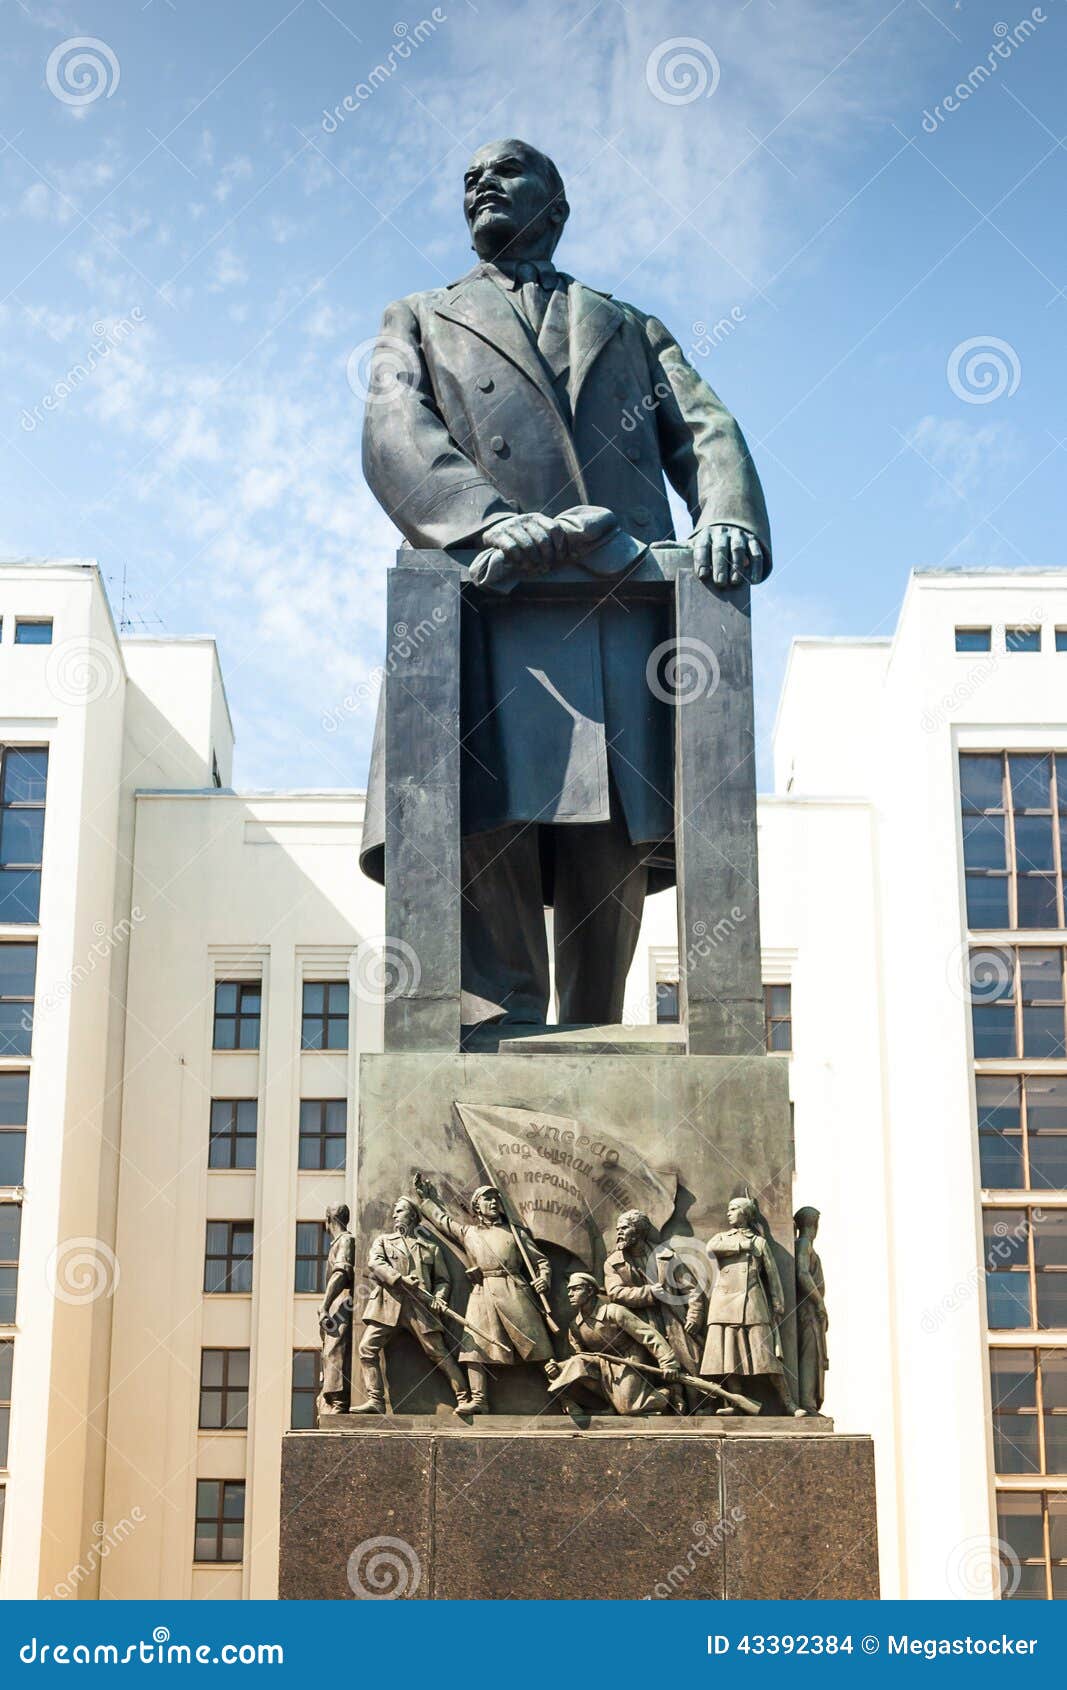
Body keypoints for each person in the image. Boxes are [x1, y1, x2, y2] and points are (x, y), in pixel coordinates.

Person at [360, 138, 771, 1026]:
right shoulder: (420, 318)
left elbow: (702, 427)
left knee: (610, 816)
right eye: (467, 175)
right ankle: (499, 1017)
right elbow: (394, 426)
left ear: (555, 200)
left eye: (504, 170)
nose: (478, 182)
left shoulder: (624, 323)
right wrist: (485, 518)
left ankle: (594, 1029)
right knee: (485, 804)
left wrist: (727, 513)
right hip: (488, 601)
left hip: (616, 600)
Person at [411, 1172, 554, 1412]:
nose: (494, 1203)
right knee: (474, 1345)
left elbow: (541, 1261)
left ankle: (567, 1397)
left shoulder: (515, 1234)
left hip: (513, 1289)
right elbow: (443, 1221)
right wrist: (426, 1201)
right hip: (482, 1292)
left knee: (537, 1346)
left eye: (496, 1199)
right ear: (477, 1207)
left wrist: (544, 1279)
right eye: (487, 1200)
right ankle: (479, 1400)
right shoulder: (470, 1233)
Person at [353, 1196, 472, 1416]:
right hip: (389, 1305)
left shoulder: (430, 1248)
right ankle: (376, 1400)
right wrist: (399, 1278)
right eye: (395, 1211)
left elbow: (443, 1280)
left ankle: (464, 1398)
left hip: (420, 1308)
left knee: (437, 1353)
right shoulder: (384, 1241)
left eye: (399, 1211)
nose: (394, 1215)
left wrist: (439, 1297)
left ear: (412, 1215)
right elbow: (375, 1263)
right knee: (366, 1349)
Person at [701, 1196, 799, 1415]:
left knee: (767, 1357)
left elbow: (772, 1275)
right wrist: (742, 1245)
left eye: (734, 1209)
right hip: (724, 1303)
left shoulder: (760, 1243)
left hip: (752, 1302)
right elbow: (710, 1248)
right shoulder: (722, 1238)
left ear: (745, 1214)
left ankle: (789, 1403)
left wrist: (777, 1303)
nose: (729, 1213)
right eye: (728, 1209)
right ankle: (735, 1402)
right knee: (729, 1355)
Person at [545, 1272, 682, 1415]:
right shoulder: (575, 1325)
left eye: (576, 1289)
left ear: (590, 1291)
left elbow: (648, 1335)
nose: (570, 1294)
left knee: (629, 1409)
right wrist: (557, 1367)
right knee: (563, 1369)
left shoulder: (614, 1311)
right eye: (569, 1290)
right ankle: (606, 1404)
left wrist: (668, 1363)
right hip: (602, 1363)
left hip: (628, 1359)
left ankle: (670, 1393)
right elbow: (578, 1355)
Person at [604, 1208, 706, 1375]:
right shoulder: (613, 1262)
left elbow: (691, 1287)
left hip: (673, 1319)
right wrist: (649, 1292)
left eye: (624, 1228)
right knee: (649, 1374)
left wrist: (695, 1315)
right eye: (617, 1230)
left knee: (692, 1365)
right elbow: (615, 1293)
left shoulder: (666, 1255)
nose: (619, 1233)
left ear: (639, 1231)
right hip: (639, 1323)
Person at [317, 1203, 354, 1415]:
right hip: (338, 1302)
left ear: (328, 1220)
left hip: (343, 1302)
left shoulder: (346, 1241)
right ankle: (333, 1399)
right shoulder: (339, 1242)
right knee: (330, 1350)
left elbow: (340, 1273)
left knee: (334, 1349)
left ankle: (339, 1402)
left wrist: (325, 1305)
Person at [794, 1206, 829, 1415]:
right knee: (810, 1355)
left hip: (808, 1309)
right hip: (807, 1310)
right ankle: (807, 1403)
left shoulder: (803, 1245)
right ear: (814, 1224)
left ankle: (809, 1401)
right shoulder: (804, 1244)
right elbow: (803, 1273)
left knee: (812, 1354)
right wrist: (819, 1302)